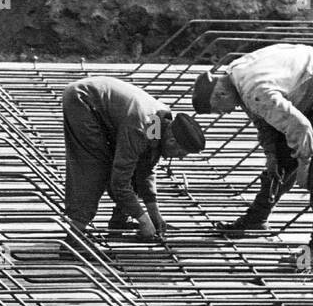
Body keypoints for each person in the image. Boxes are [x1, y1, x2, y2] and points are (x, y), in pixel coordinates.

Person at [192, 43, 313, 273]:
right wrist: (271, 155)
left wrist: (305, 166)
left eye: (219, 109)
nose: (224, 113)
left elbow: (301, 128)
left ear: (221, 93)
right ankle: (257, 218)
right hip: (300, 87)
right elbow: (262, 121)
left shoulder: (254, 89)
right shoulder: (235, 76)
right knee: (280, 160)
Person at [61, 76, 205, 253]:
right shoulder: (142, 127)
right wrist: (143, 219)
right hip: (82, 101)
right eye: (181, 153)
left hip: (102, 108)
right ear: (172, 141)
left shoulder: (158, 123)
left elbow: (145, 167)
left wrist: (153, 213)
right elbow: (119, 182)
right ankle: (73, 240)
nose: (180, 158)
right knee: (94, 168)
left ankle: (119, 222)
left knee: (136, 162)